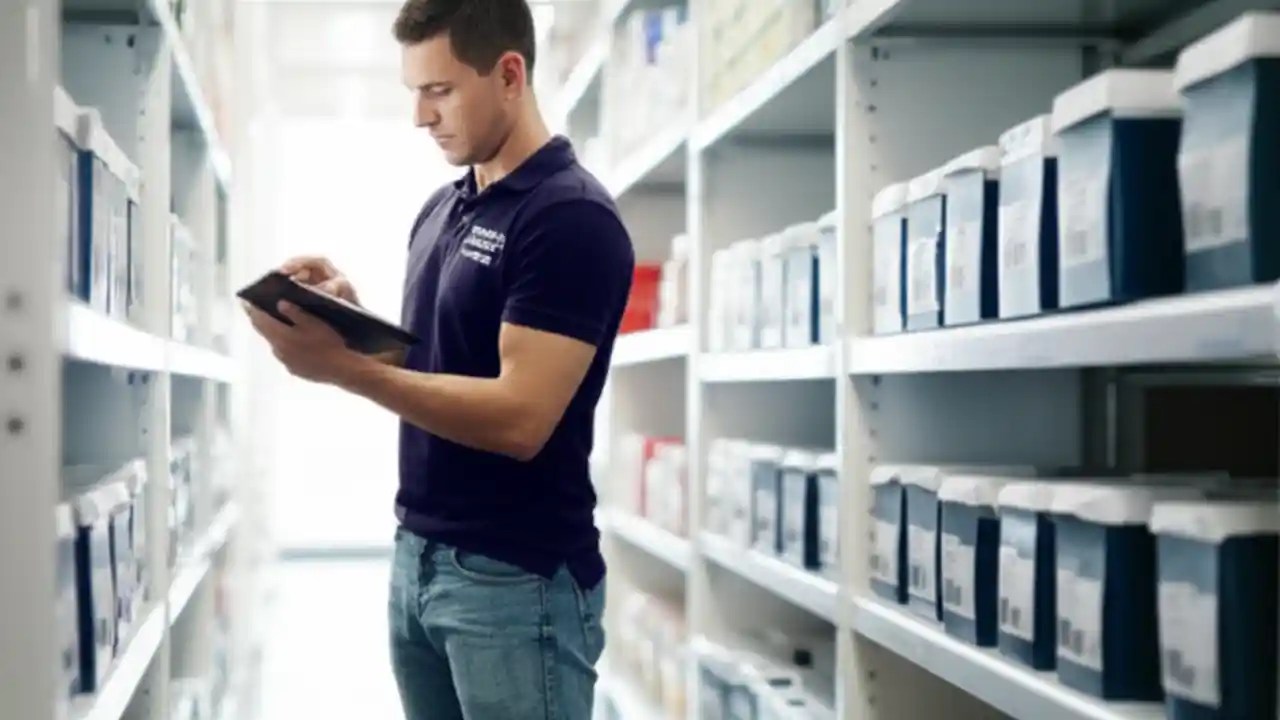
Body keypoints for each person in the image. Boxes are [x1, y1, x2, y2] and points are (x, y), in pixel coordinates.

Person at [242, 0, 635, 717]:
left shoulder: (569, 217)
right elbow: (440, 361)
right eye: (414, 92)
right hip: (419, 559)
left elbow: (520, 418)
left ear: (510, 73)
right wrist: (347, 319)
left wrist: (346, 371)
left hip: (515, 582)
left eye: (440, 90)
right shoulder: (444, 208)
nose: (421, 116)